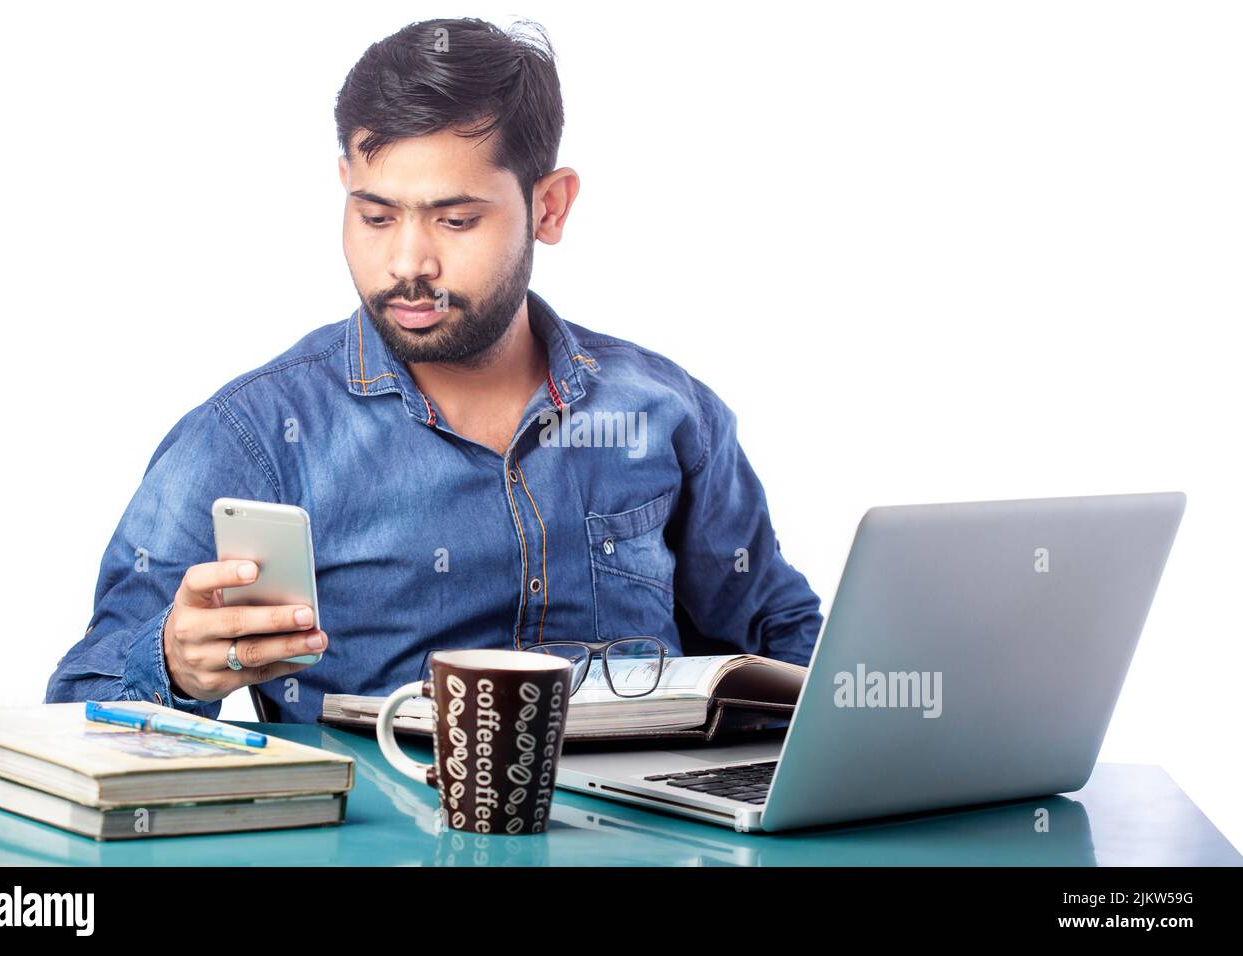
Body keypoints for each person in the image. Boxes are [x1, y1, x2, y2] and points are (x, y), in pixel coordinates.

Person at [45, 17, 823, 723]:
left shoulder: (665, 410)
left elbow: (779, 640)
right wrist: (174, 666)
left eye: (455, 220)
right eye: (376, 217)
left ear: (549, 208)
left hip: (655, 834)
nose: (408, 263)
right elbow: (80, 708)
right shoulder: (253, 437)